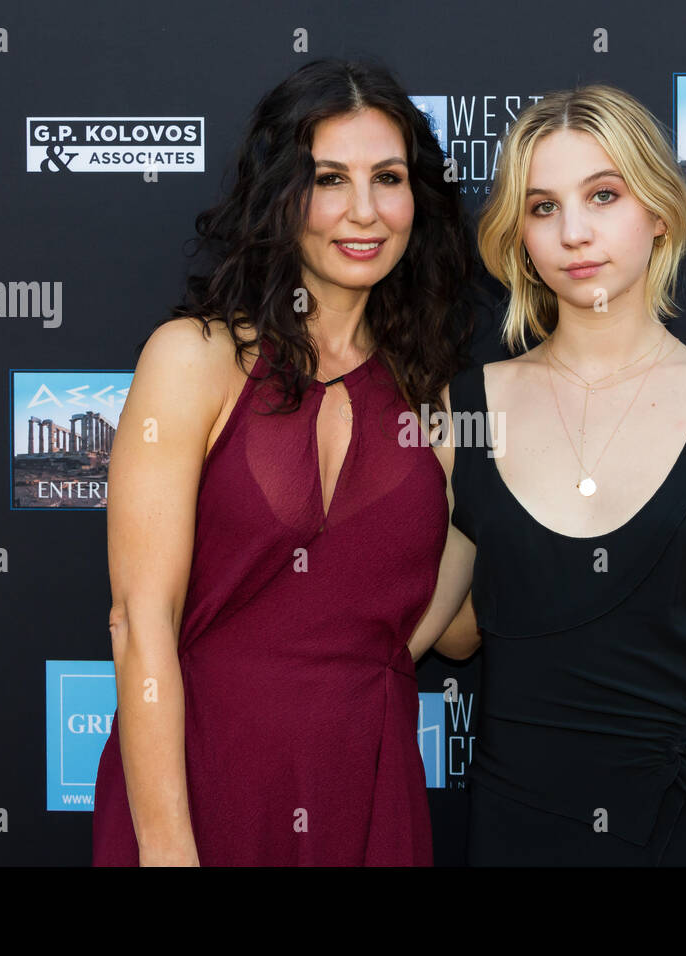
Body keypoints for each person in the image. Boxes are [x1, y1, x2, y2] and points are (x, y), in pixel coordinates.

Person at [405, 84, 686, 865]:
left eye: (603, 194)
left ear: (659, 212)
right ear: (517, 233)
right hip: (521, 825)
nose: (574, 232)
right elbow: (430, 630)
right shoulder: (460, 411)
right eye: (542, 207)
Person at [91, 57, 476, 866]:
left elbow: (453, 626)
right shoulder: (192, 359)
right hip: (201, 778)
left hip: (368, 786)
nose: (364, 211)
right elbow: (140, 623)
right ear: (279, 195)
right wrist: (167, 853)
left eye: (389, 177)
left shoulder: (434, 395)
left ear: (420, 199)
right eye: (329, 178)